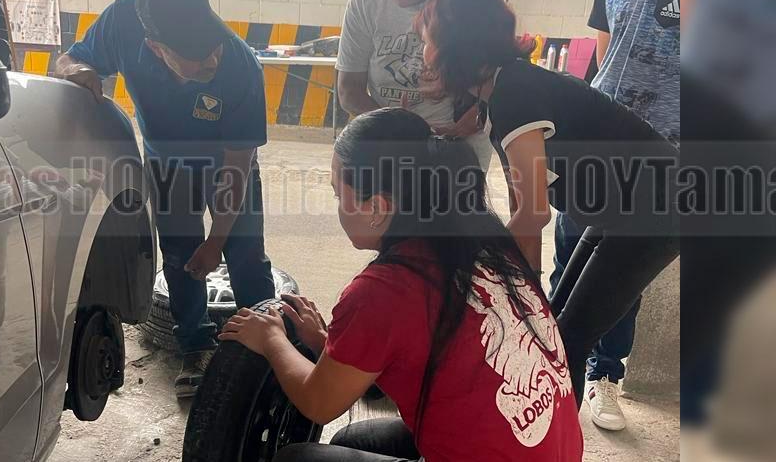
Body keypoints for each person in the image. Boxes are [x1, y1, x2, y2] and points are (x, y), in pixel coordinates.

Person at [220, 108, 583, 461]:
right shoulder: (490, 245)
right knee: (351, 438)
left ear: (377, 207)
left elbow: (318, 404)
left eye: (338, 194)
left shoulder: (384, 290)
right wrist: (324, 344)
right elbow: (424, 361)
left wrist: (271, 340)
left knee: (296, 458)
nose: (337, 206)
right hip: (551, 450)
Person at [415, 0, 680, 403]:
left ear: (458, 47)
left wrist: (520, 294)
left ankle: (553, 446)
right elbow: (526, 205)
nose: (423, 56)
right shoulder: (497, 92)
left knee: (567, 339)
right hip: (624, 210)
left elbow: (532, 214)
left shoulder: (514, 95)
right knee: (553, 325)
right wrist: (528, 294)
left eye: (428, 43)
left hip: (658, 211)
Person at [54, 0, 275, 398]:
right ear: (156, 48)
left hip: (227, 166)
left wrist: (217, 242)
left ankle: (264, 344)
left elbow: (237, 167)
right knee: (179, 258)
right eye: (197, 55)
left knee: (245, 254)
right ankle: (195, 345)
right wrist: (77, 70)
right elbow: (66, 59)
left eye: (213, 47)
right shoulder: (122, 23)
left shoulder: (239, 65)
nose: (212, 60)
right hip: (167, 164)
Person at [548, 0, 681, 431]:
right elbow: (607, 51)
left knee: (618, 283)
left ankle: (604, 374)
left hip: (665, 156)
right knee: (568, 263)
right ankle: (544, 367)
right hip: (598, 143)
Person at [337, 0, 495, 169]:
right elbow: (348, 90)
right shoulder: (365, 1)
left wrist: (479, 114)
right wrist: (397, 126)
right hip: (390, 146)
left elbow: (501, 79)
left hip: (459, 152)